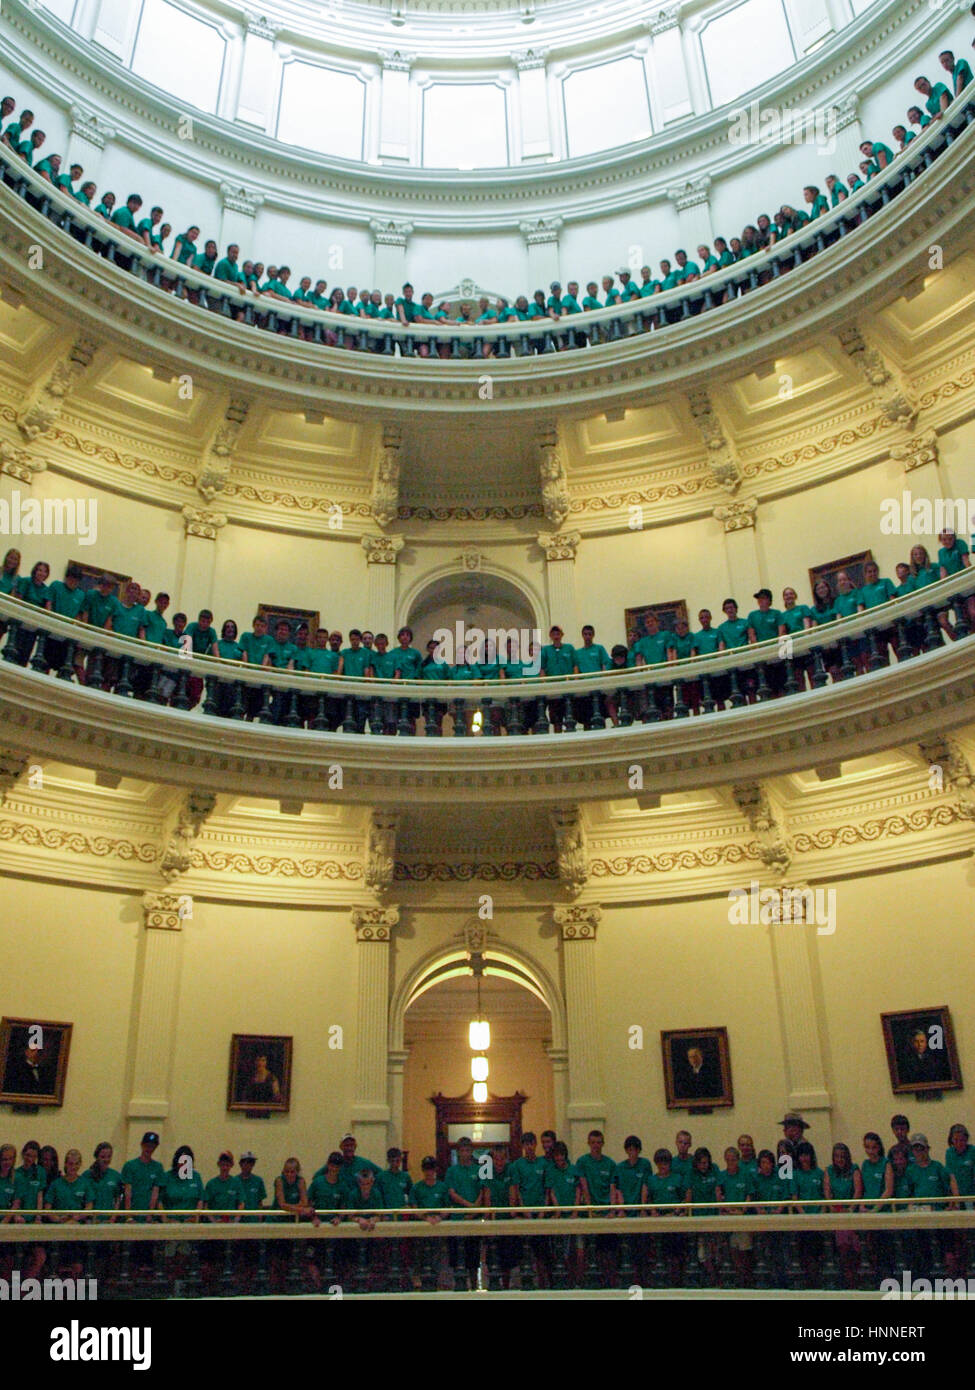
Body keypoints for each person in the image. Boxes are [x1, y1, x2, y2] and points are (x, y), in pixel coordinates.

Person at [445, 1136, 483, 1289]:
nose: (465, 1153)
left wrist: (475, 1209)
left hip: (474, 1219)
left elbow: (483, 1190)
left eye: (468, 1150)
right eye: (462, 1150)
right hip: (457, 1218)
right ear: (458, 1152)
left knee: (473, 1256)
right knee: (457, 1255)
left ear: (471, 1151)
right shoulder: (452, 1171)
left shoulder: (479, 1170)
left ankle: (474, 1286)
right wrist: (468, 1206)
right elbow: (451, 1192)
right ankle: (459, 1286)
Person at [539, 625, 575, 732]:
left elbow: (575, 666)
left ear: (562, 635)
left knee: (570, 715)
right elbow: (542, 669)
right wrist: (544, 684)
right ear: (550, 636)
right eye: (554, 634)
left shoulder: (569, 648)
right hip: (553, 689)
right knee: (555, 718)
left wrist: (575, 682)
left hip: (568, 687)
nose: (556, 636)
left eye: (558, 633)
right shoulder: (546, 650)